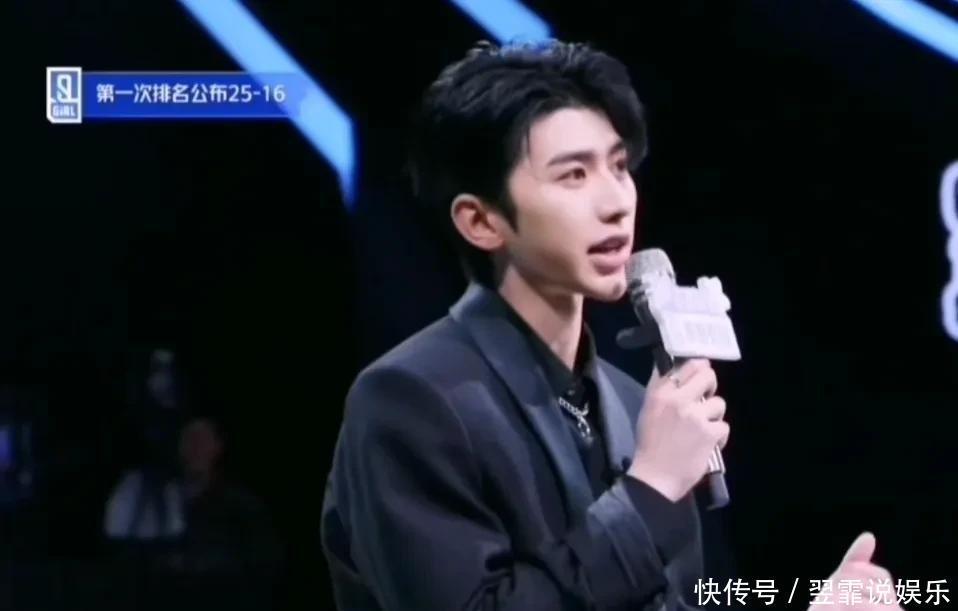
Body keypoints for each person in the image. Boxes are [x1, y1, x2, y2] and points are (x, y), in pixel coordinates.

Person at [320, 40, 903, 610]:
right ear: (482, 221)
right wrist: (650, 489)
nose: (617, 202)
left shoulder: (631, 405)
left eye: (619, 167)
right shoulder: (411, 400)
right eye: (574, 175)